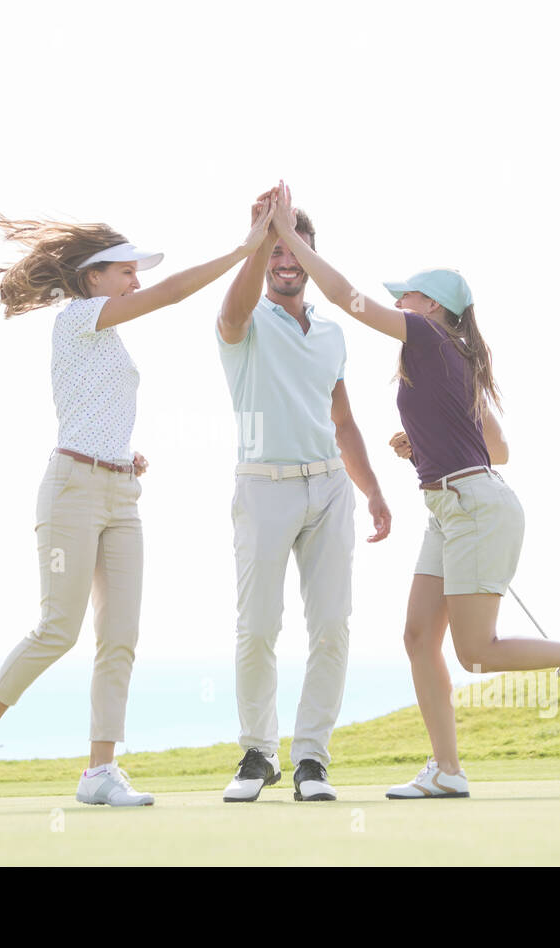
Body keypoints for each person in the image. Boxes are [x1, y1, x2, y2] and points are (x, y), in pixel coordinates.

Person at [266, 183, 560, 800]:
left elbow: (348, 299)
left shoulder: (424, 333)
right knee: (417, 637)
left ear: (429, 305)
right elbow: (499, 448)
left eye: (406, 295)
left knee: (477, 652)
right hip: (454, 506)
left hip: (474, 511)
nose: (399, 302)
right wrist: (431, 446)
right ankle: (447, 769)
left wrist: (295, 245)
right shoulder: (448, 354)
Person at [0, 200, 278, 808]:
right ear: (94, 277)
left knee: (120, 635)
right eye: (126, 271)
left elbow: (100, 409)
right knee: (58, 628)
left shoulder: (106, 335)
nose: (137, 281)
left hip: (121, 492)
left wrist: (126, 455)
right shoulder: (77, 317)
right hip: (72, 489)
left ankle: (100, 771)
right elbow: (175, 294)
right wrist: (243, 249)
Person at [216, 187, 391, 803]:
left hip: (330, 488)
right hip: (264, 489)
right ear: (265, 258)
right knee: (258, 628)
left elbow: (342, 421)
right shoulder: (245, 318)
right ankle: (257, 754)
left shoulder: (332, 335)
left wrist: (371, 489)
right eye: (277, 254)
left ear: (313, 259)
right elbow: (233, 314)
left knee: (332, 628)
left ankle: (311, 759)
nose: (287, 264)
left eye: (298, 253)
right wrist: (262, 236)